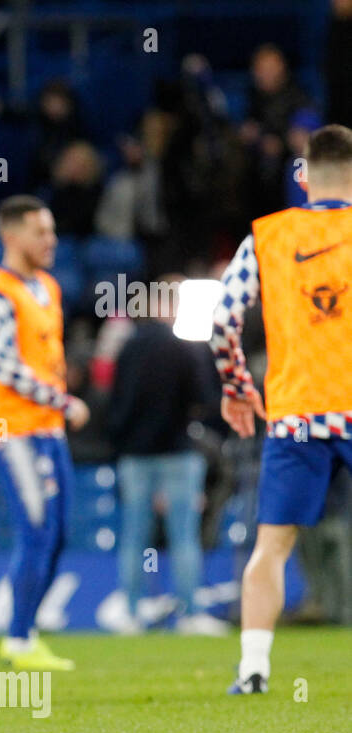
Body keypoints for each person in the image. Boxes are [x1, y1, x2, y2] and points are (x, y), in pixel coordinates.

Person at [209, 124, 352, 695]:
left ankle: (253, 670)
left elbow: (221, 322)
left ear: (303, 174)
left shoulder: (268, 238)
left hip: (295, 414)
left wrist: (239, 387)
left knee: (273, 544)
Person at [0, 195, 89, 671]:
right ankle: (18, 639)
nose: (50, 240)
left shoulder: (48, 289)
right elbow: (2, 365)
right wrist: (64, 400)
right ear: (10, 236)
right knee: (36, 532)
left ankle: (27, 632)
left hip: (46, 429)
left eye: (51, 230)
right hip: (10, 429)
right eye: (40, 231)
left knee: (55, 536)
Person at [107, 275, 223, 635]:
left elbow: (114, 403)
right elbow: (205, 400)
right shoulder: (185, 348)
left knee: (134, 537)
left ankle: (130, 611)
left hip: (135, 455)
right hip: (177, 453)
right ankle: (188, 614)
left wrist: (125, 441)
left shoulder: (128, 347)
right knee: (183, 536)